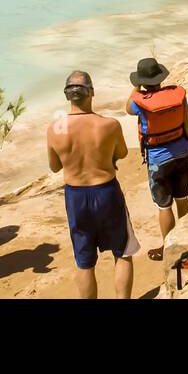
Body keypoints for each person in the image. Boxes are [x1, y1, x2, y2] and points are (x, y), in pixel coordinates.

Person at [48, 71, 137, 299]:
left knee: (84, 260)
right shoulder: (109, 125)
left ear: (68, 96)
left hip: (75, 196)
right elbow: (122, 153)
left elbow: (55, 166)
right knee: (123, 252)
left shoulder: (54, 129)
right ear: (92, 92)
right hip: (106, 191)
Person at [125, 58, 188, 259]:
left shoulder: (139, 102)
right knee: (183, 199)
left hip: (158, 160)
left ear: (141, 81)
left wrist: (135, 88)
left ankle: (169, 248)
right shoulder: (178, 96)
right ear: (160, 78)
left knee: (164, 206)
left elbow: (127, 108)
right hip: (182, 153)